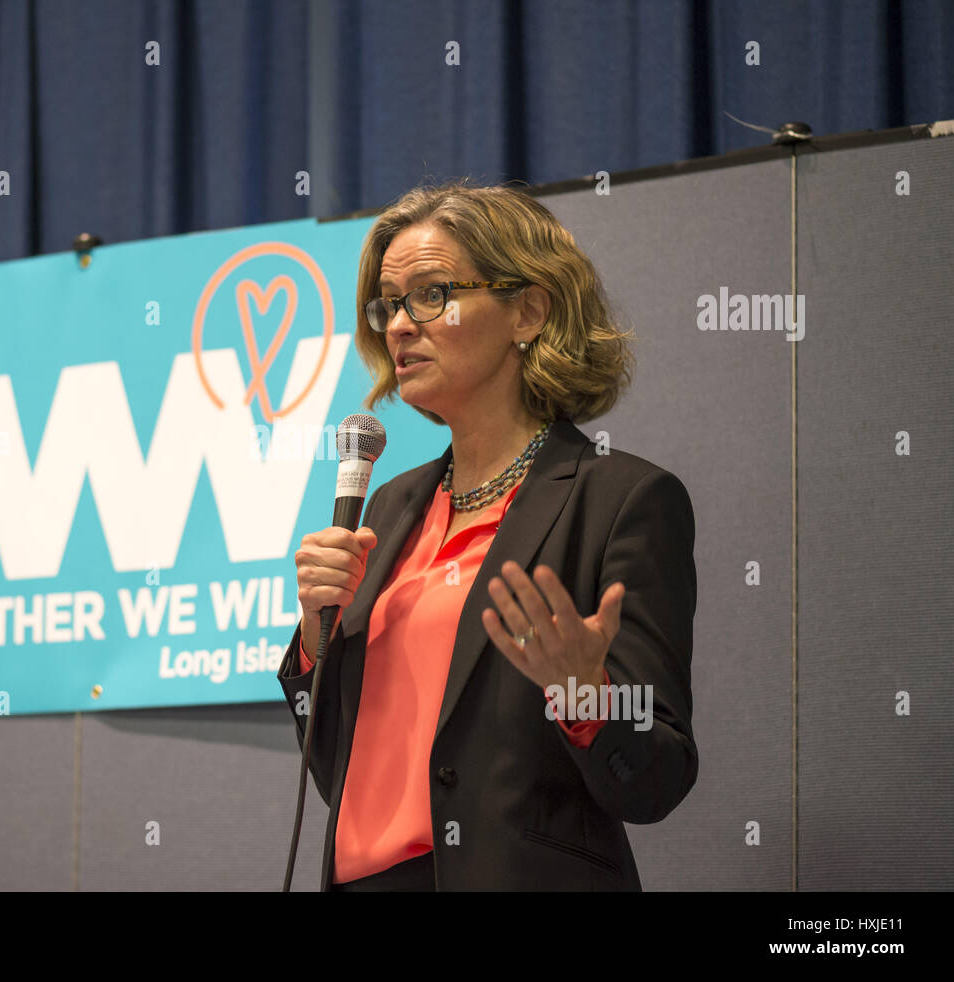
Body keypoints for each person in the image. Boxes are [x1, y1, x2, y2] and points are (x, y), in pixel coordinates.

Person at [277, 179, 698, 891]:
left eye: (432, 293)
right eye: (389, 304)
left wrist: (584, 694)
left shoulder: (620, 499)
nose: (400, 325)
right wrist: (316, 636)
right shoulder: (388, 508)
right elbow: (333, 774)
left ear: (528, 311)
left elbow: (655, 780)